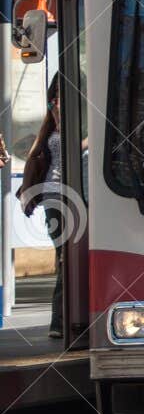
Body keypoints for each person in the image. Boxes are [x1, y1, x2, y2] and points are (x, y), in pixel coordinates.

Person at [20, 75, 63, 337]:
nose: (57, 100)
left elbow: (83, 146)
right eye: (54, 96)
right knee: (64, 256)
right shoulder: (50, 127)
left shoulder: (83, 123)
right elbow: (33, 156)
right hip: (54, 196)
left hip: (82, 196)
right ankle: (58, 322)